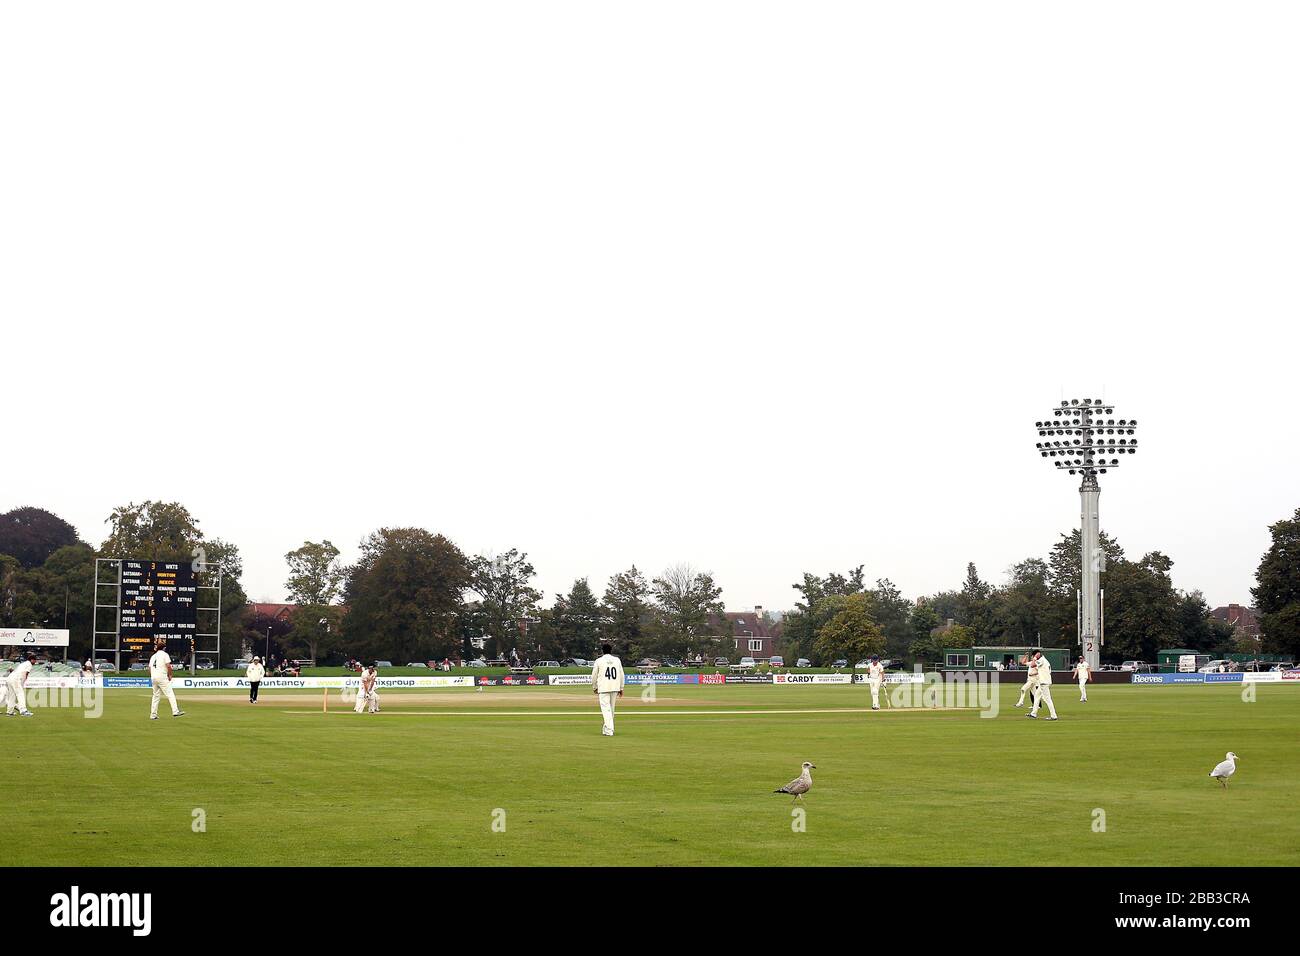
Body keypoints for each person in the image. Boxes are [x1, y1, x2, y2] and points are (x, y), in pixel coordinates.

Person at [590, 642, 625, 736]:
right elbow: (622, 674)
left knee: (606, 710)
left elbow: (594, 676)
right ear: (611, 650)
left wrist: (594, 687)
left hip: (603, 687)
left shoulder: (599, 661)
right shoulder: (617, 660)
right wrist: (621, 687)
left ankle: (609, 730)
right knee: (611, 710)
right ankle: (606, 729)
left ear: (602, 651)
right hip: (614, 687)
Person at [148, 639, 185, 720]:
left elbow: (149, 668)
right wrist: (170, 675)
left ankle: (153, 714)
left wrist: (153, 676)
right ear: (164, 648)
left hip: (154, 677)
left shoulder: (153, 656)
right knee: (170, 694)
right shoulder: (165, 655)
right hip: (162, 677)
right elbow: (168, 666)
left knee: (155, 696)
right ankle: (175, 711)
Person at [1027, 651, 1058, 720]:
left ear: (1038, 654)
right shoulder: (1044, 660)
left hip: (1044, 682)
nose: (1033, 657)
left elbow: (1032, 665)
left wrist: (1035, 658)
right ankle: (1033, 713)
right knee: (1037, 696)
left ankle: (1054, 716)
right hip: (1043, 682)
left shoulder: (1042, 660)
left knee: (1048, 699)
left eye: (1034, 655)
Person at [4, 653, 36, 717]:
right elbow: (25, 674)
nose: (35, 662)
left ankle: (9, 712)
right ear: (32, 660)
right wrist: (22, 684)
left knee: (12, 696)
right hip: (16, 679)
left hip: (10, 678)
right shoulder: (29, 664)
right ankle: (23, 711)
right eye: (35, 660)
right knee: (20, 694)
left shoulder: (23, 663)